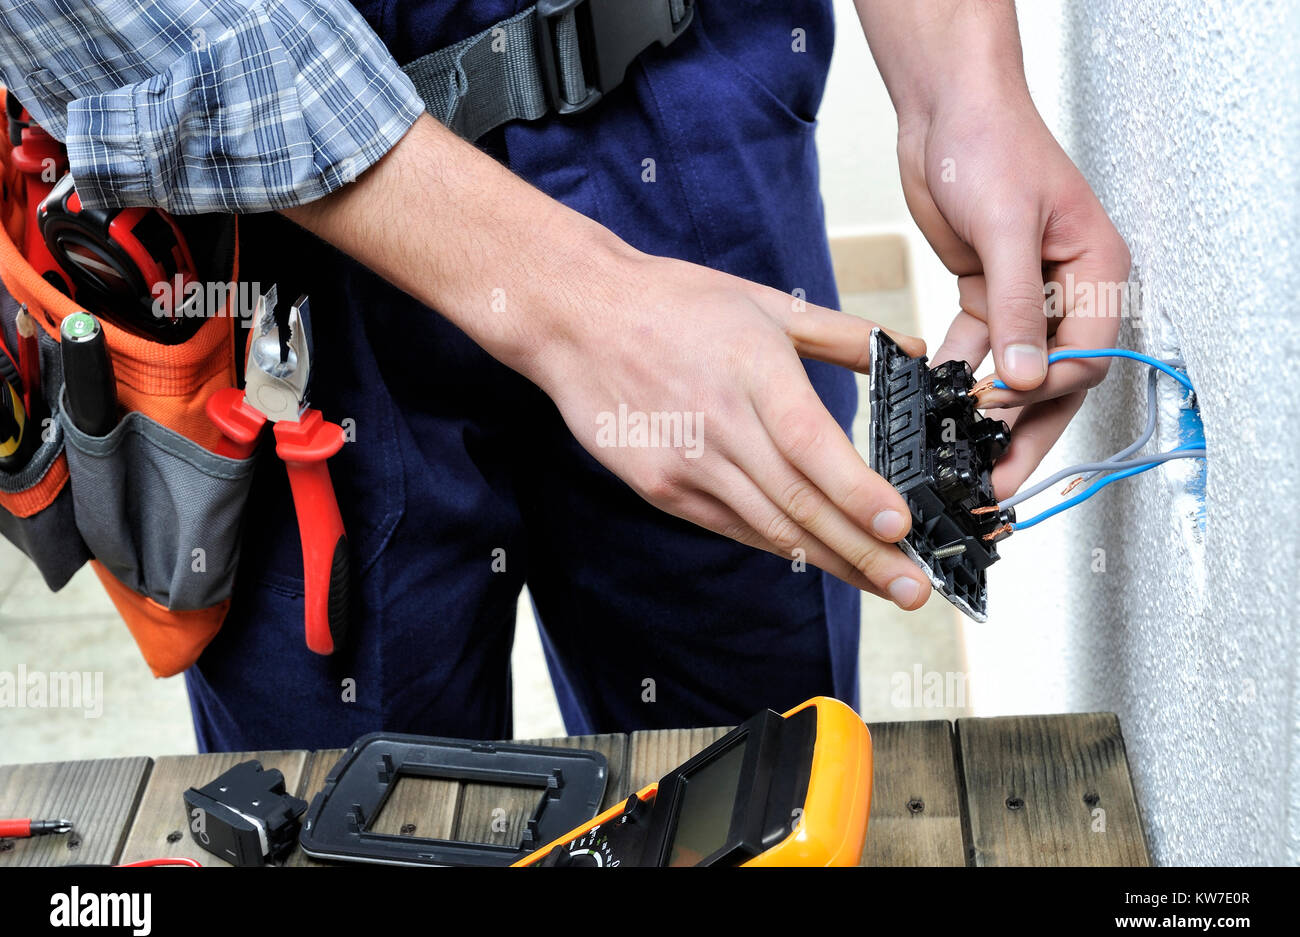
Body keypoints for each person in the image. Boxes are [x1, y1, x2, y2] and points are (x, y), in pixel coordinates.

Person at [0, 0, 1129, 750]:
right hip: (281, 223)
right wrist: (576, 301)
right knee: (333, 804)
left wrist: (962, 87)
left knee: (757, 772)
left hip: (686, 118)